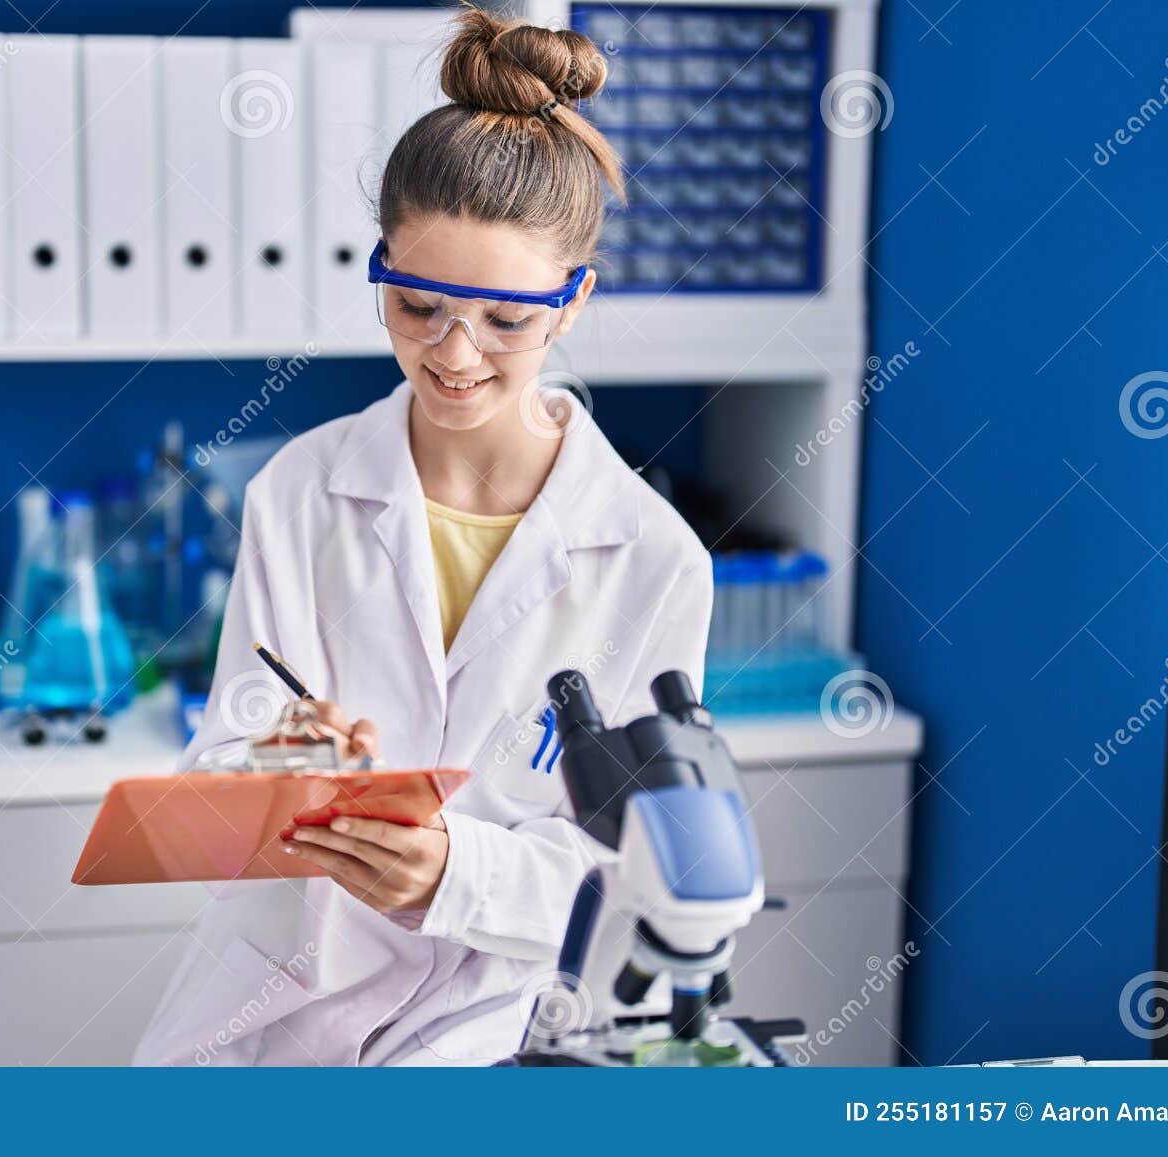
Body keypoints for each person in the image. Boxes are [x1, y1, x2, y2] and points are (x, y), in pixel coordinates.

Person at [134, 7, 713, 1066]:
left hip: (492, 1026)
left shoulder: (653, 557)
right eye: (415, 304)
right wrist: (289, 761)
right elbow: (219, 762)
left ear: (572, 301)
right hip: (276, 1019)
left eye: (505, 320)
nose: (453, 354)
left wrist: (456, 874)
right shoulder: (300, 491)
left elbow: (640, 873)